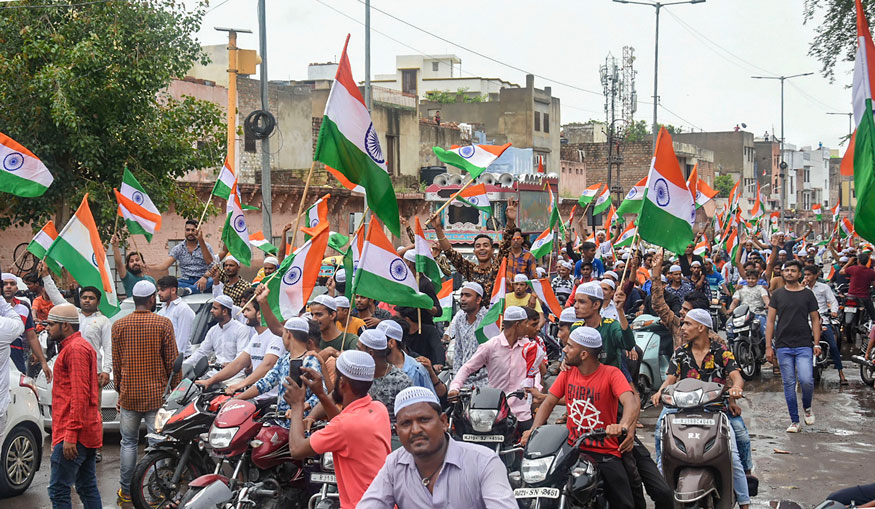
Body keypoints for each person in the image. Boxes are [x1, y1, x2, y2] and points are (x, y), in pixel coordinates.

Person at [522, 326, 639, 509]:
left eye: (570, 346)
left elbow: (630, 401)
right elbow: (549, 402)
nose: (564, 349)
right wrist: (533, 430)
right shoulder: (568, 373)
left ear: (584, 354)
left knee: (624, 501)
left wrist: (622, 425)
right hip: (571, 450)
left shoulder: (611, 374)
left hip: (604, 453)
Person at [650, 309, 751, 508]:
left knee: (735, 450)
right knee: (661, 435)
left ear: (701, 327)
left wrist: (736, 390)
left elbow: (736, 377)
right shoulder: (680, 353)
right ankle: (663, 488)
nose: (683, 328)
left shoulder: (722, 351)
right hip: (682, 410)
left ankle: (745, 502)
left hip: (716, 410)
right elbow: (670, 379)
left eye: (687, 324)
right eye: (683, 324)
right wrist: (660, 392)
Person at [359, 387, 516, 508]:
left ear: (443, 422)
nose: (415, 430)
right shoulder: (394, 464)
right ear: (397, 431)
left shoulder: (484, 462)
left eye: (424, 420)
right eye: (406, 424)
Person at [285, 350, 391, 508]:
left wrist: (296, 405)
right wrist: (321, 394)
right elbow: (342, 423)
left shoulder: (345, 426)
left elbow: (296, 449)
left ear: (341, 382)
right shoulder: (378, 408)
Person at [111, 280, 180, 504]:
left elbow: (116, 364)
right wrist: (176, 390)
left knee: (128, 443)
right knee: (158, 446)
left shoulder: (119, 325)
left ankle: (126, 491)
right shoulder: (163, 324)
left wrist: (120, 391)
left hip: (129, 395)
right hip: (156, 396)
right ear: (152, 299)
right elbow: (172, 362)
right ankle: (156, 491)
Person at [45, 304, 103, 509]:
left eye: (51, 324)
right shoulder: (76, 347)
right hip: (83, 430)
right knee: (86, 486)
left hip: (75, 433)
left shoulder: (75, 350)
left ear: (65, 326)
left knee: (58, 490)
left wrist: (70, 435)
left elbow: (79, 396)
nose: (47, 328)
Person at [448, 306, 535, 428]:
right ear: (518, 325)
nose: (528, 327)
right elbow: (467, 368)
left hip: (522, 411)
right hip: (495, 411)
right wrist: (454, 388)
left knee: (531, 438)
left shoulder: (529, 347)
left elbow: (536, 372)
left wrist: (535, 390)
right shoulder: (490, 346)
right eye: (526, 323)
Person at [765, 259, 821, 433]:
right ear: (783, 272)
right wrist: (768, 346)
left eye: (793, 270)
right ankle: (795, 421)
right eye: (786, 270)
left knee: (806, 380)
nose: (789, 273)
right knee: (788, 383)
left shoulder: (808, 294)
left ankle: (807, 407)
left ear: (799, 274)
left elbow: (815, 319)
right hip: (783, 345)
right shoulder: (777, 295)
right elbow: (770, 321)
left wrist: (817, 343)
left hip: (804, 344)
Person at [198, 291, 285, 399]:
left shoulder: (275, 336)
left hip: (270, 399)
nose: (244, 314)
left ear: (259, 314)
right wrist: (209, 381)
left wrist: (240, 385)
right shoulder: (256, 337)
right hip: (255, 396)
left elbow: (267, 365)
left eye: (248, 310)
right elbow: (238, 364)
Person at [430, 200, 517, 297]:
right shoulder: (470, 270)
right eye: (478, 246)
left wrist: (510, 221)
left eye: (486, 245)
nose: (482, 248)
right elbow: (449, 252)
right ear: (474, 251)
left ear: (492, 250)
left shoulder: (498, 267)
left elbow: (506, 245)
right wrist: (438, 228)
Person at [650, 251, 723, 347]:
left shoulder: (716, 341)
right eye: (682, 308)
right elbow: (658, 305)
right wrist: (656, 270)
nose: (681, 312)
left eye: (686, 309)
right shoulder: (677, 325)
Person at [572, 283, 635, 379]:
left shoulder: (610, 326)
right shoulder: (575, 328)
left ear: (596, 305)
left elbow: (629, 344)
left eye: (581, 302)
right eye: (575, 301)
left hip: (608, 382)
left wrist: (620, 310)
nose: (575, 306)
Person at [802, 265, 847, 385]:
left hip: (823, 319)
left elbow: (833, 301)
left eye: (809, 275)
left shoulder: (824, 287)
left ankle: (841, 374)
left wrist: (834, 311)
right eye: (805, 275)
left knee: (833, 345)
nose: (806, 277)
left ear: (816, 275)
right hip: (805, 320)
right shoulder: (801, 288)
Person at [357, 329, 413, 420]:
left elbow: (408, 418)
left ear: (370, 353)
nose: (355, 352)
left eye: (359, 349)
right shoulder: (356, 376)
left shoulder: (401, 381)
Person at [2, 272, 50, 379]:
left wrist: (43, 362)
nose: (8, 286)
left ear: (17, 288)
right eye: (5, 283)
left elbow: (31, 335)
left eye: (12, 283)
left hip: (18, 356)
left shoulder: (24, 307)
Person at [147, 219, 216, 293]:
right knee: (170, 284)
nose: (190, 232)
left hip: (203, 279)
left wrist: (205, 277)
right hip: (185, 280)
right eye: (188, 230)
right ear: (184, 231)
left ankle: (188, 290)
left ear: (198, 231)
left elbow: (212, 265)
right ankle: (193, 289)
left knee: (212, 279)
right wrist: (147, 267)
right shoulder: (178, 248)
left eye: (193, 230)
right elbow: (164, 266)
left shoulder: (206, 246)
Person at [186, 295, 252, 368]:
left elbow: (241, 356)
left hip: (235, 372)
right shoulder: (213, 330)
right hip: (215, 371)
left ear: (224, 311)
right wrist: (184, 365)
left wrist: (230, 366)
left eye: (215, 308)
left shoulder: (241, 329)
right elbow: (202, 352)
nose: (211, 311)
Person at [379, 319, 439, 396]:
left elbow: (431, 399)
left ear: (391, 343)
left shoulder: (417, 370)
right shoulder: (376, 367)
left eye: (380, 342)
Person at [446, 282, 488, 388]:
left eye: (467, 295)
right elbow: (458, 350)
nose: (463, 299)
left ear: (478, 300)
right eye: (462, 295)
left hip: (485, 380)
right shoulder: (460, 320)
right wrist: (457, 380)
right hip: (464, 380)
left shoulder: (488, 320)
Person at [156, 275, 196, 358]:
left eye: (162, 290)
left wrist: (175, 360)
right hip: (166, 358)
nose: (159, 293)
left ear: (173, 290)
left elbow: (182, 339)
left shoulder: (183, 309)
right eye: (158, 290)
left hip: (181, 359)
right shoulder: (162, 311)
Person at [729, 270, 770, 339]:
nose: (750, 280)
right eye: (749, 278)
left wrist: (767, 304)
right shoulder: (741, 288)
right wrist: (731, 309)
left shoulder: (761, 289)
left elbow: (765, 298)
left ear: (757, 279)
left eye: (753, 279)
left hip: (758, 314)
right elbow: (735, 301)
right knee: (730, 329)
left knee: (765, 332)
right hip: (743, 315)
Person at [840, 252, 875, 323]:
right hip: (864, 297)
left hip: (851, 296)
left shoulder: (853, 268)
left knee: (841, 309)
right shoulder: (871, 272)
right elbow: (874, 284)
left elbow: (841, 272)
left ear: (858, 261)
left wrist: (849, 262)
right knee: (873, 315)